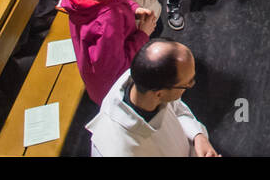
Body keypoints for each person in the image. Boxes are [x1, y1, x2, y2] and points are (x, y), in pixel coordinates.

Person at [59, 0, 157, 104]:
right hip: (112, 87)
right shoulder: (108, 18)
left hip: (91, 66)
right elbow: (115, 67)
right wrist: (142, 34)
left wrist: (134, 9)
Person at [87, 40, 218, 156]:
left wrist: (197, 136)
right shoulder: (114, 148)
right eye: (186, 84)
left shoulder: (145, 82)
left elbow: (176, 108)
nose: (191, 85)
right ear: (159, 93)